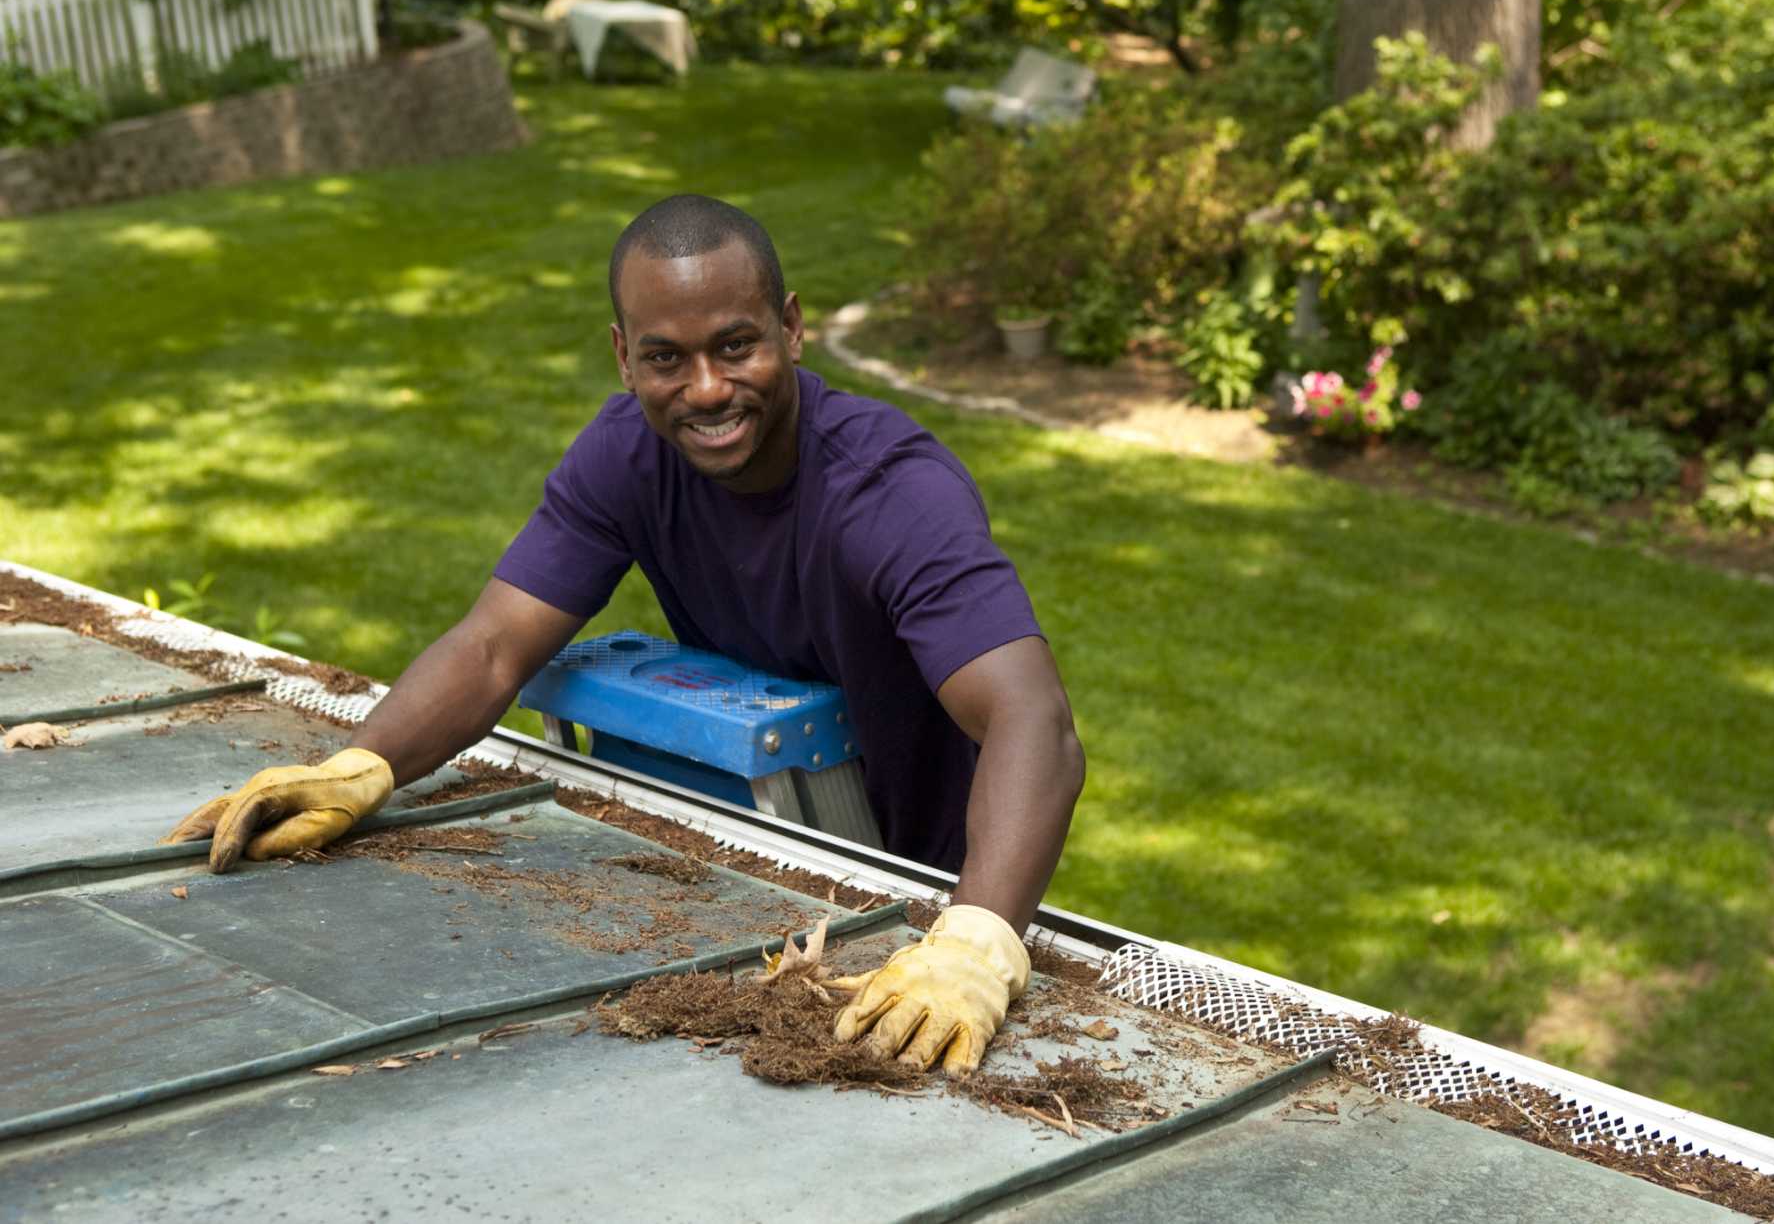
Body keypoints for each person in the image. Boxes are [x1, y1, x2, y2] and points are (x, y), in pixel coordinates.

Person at [161, 194, 1087, 1076]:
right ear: (622, 356)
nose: (708, 389)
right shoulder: (627, 457)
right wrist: (358, 769)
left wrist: (975, 943)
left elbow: (1032, 723)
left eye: (737, 346)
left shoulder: (892, 493)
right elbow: (493, 646)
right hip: (753, 864)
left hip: (915, 897)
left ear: (793, 329)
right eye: (666, 359)